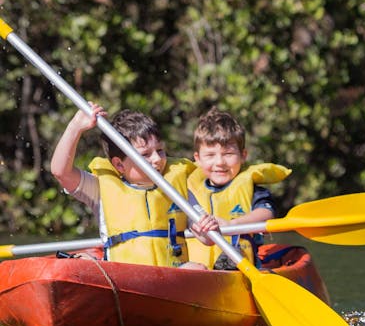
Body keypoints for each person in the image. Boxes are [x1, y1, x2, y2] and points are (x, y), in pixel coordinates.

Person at [50, 103, 218, 268]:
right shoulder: (100, 189)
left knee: (196, 269)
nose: (157, 159)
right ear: (120, 165)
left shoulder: (176, 189)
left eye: (160, 150)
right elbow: (60, 172)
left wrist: (207, 229)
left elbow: (208, 239)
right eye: (145, 155)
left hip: (171, 278)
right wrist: (75, 127)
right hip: (126, 280)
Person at [187, 107, 292, 270]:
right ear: (197, 159)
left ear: (243, 155)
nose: (220, 162)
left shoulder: (251, 188)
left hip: (240, 265)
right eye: (210, 155)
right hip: (201, 271)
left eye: (228, 154)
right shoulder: (187, 194)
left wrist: (231, 225)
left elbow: (266, 213)